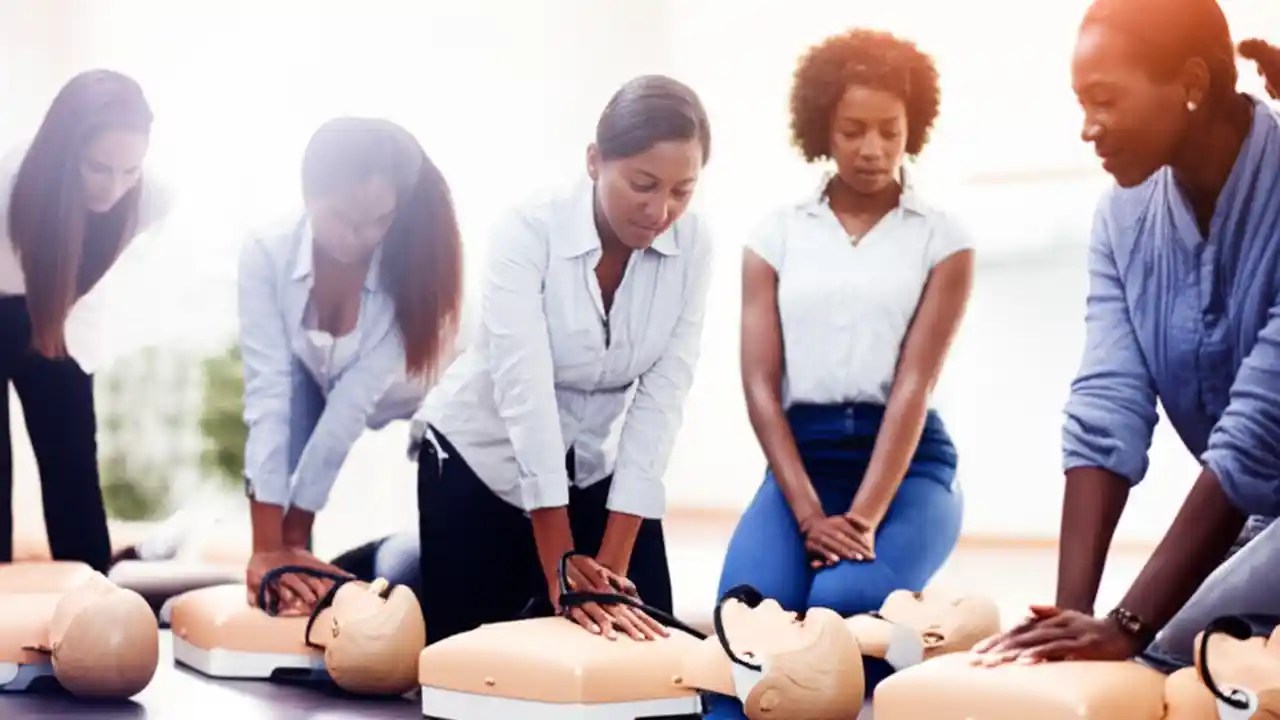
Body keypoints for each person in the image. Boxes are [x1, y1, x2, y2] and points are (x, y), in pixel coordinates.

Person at [973, 0, 1280, 672]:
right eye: (1081, 103)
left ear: (1193, 84)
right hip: (1261, 525)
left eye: (1104, 100)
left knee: (1173, 649)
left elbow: (1261, 424)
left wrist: (1128, 624)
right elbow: (1105, 406)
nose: (1088, 128)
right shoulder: (1122, 218)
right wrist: (1066, 625)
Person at [707, 29, 974, 715]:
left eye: (890, 130)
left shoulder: (943, 239)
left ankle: (926, 644)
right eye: (853, 130)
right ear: (823, 126)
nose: (873, 148)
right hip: (803, 463)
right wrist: (806, 513)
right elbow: (761, 385)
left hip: (907, 471)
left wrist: (859, 521)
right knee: (745, 618)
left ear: (914, 128)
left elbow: (916, 383)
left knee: (843, 606)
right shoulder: (776, 234)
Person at [412, 74, 714, 645]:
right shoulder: (528, 230)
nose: (660, 210)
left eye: (682, 191)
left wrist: (612, 569)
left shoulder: (693, 246)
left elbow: (661, 401)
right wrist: (561, 564)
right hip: (484, 464)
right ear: (596, 161)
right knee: (478, 669)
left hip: (591, 469)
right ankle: (392, 564)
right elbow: (524, 392)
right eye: (643, 184)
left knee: (652, 663)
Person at [238, 117, 463, 613]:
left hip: (435, 397)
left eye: (378, 222)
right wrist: (269, 552)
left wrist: (289, 541)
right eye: (342, 218)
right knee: (280, 539)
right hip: (323, 378)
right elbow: (268, 394)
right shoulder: (264, 253)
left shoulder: (409, 272)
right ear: (309, 194)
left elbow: (349, 409)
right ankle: (298, 582)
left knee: (449, 574)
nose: (359, 237)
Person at [0, 69, 172, 573]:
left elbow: (99, 282)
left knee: (73, 462)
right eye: (99, 168)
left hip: (61, 312)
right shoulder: (9, 182)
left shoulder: (155, 197)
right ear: (64, 153)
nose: (115, 187)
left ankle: (96, 609)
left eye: (129, 170)